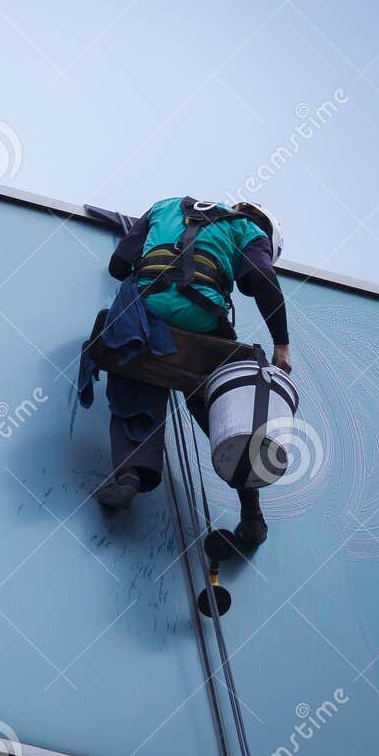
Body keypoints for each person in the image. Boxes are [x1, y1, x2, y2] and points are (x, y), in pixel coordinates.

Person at [93, 197, 290, 550]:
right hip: (201, 319)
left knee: (136, 374)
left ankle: (130, 476)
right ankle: (252, 517)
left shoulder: (164, 206)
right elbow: (260, 276)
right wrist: (282, 344)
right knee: (229, 407)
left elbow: (118, 266)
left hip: (145, 315)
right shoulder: (247, 229)